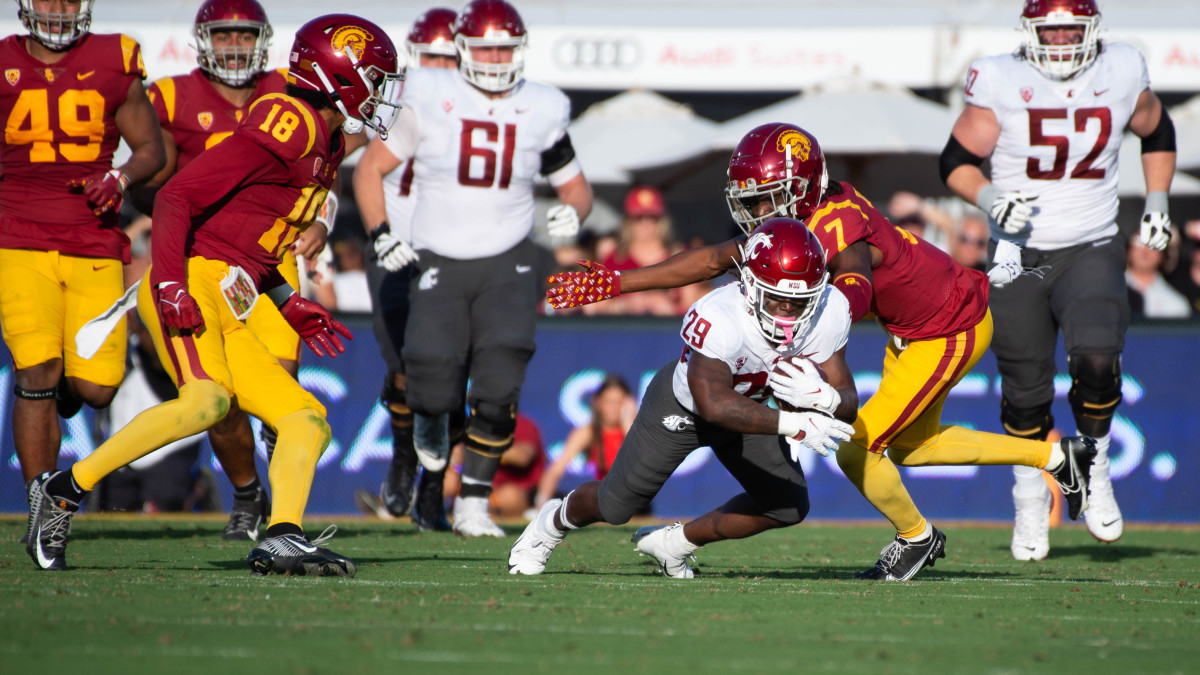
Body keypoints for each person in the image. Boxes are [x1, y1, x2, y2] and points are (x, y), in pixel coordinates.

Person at [547, 123, 1097, 581]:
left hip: (949, 324)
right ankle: (1057, 458)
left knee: (858, 447)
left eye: (765, 197)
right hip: (911, 330)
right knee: (909, 448)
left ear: (800, 189)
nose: (755, 209)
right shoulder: (795, 223)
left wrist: (813, 354)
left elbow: (853, 284)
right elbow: (716, 259)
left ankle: (917, 538)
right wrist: (619, 282)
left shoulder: (833, 223)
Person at [24, 13, 403, 575]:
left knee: (306, 418)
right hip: (192, 277)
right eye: (372, 76)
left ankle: (282, 535)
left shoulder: (321, 138)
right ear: (338, 74)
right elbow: (178, 198)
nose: (379, 91)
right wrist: (173, 282)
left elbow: (246, 236)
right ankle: (64, 488)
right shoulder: (291, 120)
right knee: (208, 402)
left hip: (233, 288)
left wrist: (287, 299)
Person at [940, 0, 1176, 558]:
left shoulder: (1120, 68)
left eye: (1074, 28)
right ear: (1030, 33)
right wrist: (991, 199)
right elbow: (954, 160)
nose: (1065, 40)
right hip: (1018, 254)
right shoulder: (999, 76)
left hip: (1092, 242)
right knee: (1025, 396)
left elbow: (1157, 127)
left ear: (1093, 29)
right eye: (1053, 30)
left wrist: (1158, 198)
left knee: (1097, 360)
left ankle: (1094, 469)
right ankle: (1029, 498)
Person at [353, 0, 593, 538]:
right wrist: (378, 232)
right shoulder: (420, 95)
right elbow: (363, 162)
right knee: (424, 376)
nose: (492, 58)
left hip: (504, 255)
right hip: (425, 251)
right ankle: (418, 453)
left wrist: (570, 212)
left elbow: (575, 186)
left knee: (500, 377)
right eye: (482, 46)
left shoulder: (540, 105)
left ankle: (466, 503)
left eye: (503, 47)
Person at [510, 218, 858, 577]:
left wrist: (828, 399)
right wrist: (796, 424)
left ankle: (673, 545)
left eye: (798, 301)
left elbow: (847, 402)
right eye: (776, 297)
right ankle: (551, 522)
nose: (786, 310)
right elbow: (713, 404)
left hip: (749, 408)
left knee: (787, 505)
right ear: (749, 286)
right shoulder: (719, 315)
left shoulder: (828, 311)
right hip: (683, 409)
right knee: (615, 506)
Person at [141, 0, 330, 542]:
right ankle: (248, 493)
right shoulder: (172, 95)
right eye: (223, 36)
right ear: (204, 40)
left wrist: (325, 218)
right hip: (204, 255)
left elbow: (327, 166)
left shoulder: (292, 90)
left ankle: (284, 520)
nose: (234, 47)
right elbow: (162, 181)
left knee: (281, 389)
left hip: (269, 261)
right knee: (217, 402)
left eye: (244, 36)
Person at [0, 0, 165, 508]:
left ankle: (67, 395)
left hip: (92, 238)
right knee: (35, 372)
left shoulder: (115, 57)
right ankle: (41, 506)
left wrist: (120, 176)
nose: (58, 8)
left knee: (96, 389)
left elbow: (151, 149)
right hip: (18, 236)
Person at [359, 6, 460, 532]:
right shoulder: (388, 103)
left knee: (454, 376)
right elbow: (343, 156)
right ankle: (404, 453)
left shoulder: (484, 109)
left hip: (458, 255)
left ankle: (431, 489)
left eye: (450, 58)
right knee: (404, 364)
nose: (440, 69)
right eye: (433, 58)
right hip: (395, 249)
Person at [533, 373, 636, 509]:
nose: (614, 409)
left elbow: (639, 466)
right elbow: (555, 470)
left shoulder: (635, 430)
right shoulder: (589, 432)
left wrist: (629, 424)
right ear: (597, 403)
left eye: (619, 402)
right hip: (607, 501)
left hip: (635, 500)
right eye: (609, 402)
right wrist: (541, 503)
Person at [445, 412, 546, 518]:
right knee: (448, 481)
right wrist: (456, 464)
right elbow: (453, 472)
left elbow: (523, 457)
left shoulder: (521, 424)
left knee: (510, 494)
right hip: (474, 489)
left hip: (511, 495)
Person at [1126, 236, 1190, 318]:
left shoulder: (1176, 304)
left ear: (1163, 255)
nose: (1145, 251)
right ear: (1129, 250)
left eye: (1153, 245)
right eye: (1139, 243)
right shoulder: (1110, 291)